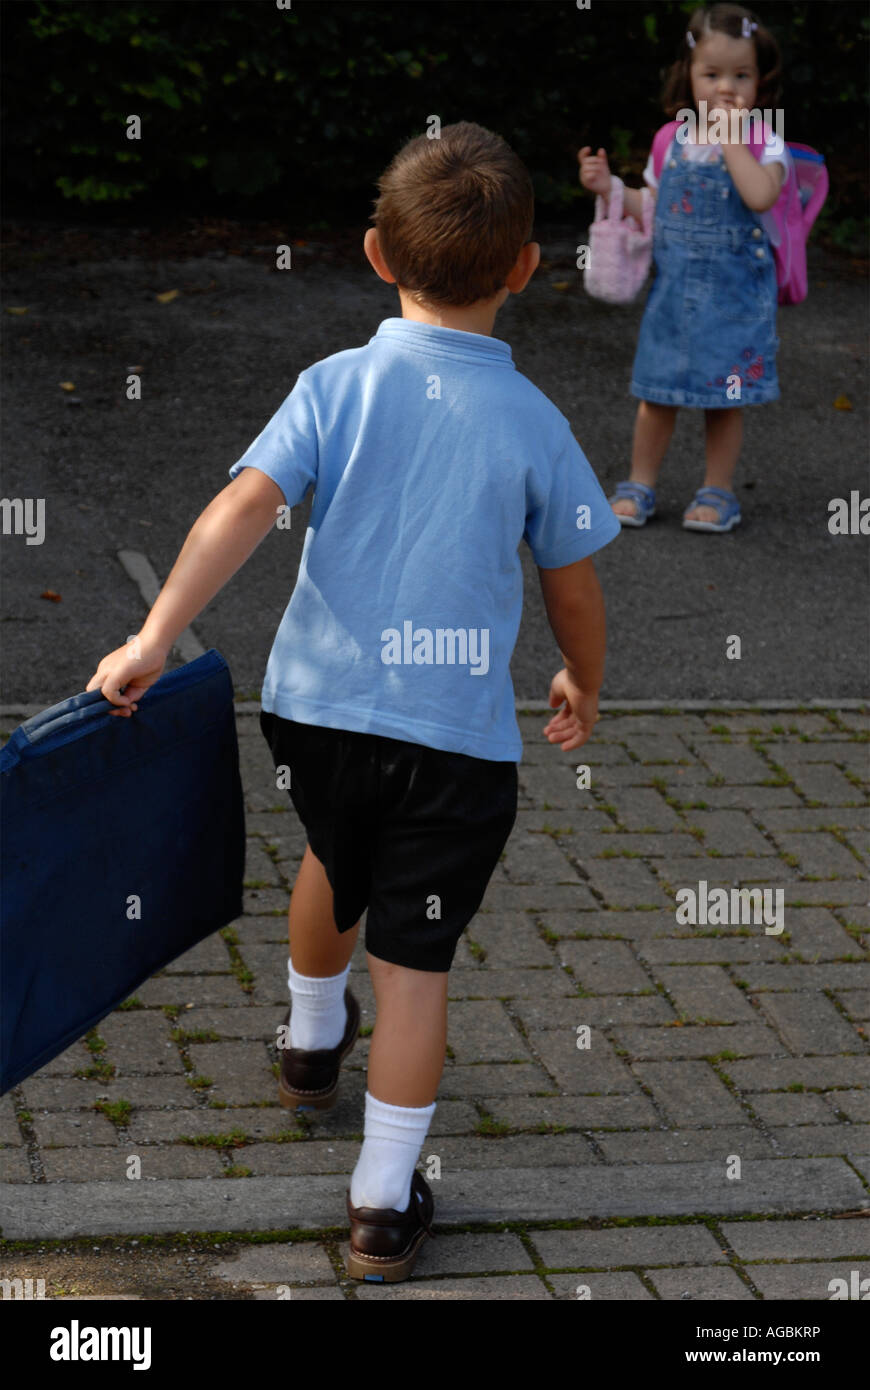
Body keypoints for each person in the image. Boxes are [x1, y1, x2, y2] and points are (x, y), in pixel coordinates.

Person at [86, 120, 621, 1283]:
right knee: (416, 972)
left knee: (335, 850)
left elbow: (237, 511)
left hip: (314, 719)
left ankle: (311, 1040)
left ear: (378, 254)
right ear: (529, 269)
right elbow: (572, 585)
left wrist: (154, 637)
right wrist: (582, 674)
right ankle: (382, 1203)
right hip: (454, 749)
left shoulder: (334, 386)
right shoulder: (536, 424)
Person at [579, 3, 787, 533]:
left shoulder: (764, 138)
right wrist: (610, 190)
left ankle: (717, 493)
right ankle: (639, 484)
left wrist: (732, 139)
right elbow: (652, 204)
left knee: (724, 402)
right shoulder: (671, 140)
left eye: (741, 75)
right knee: (656, 395)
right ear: (688, 76)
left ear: (760, 82)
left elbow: (761, 195)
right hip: (673, 299)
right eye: (711, 74)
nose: (726, 88)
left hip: (734, 303)